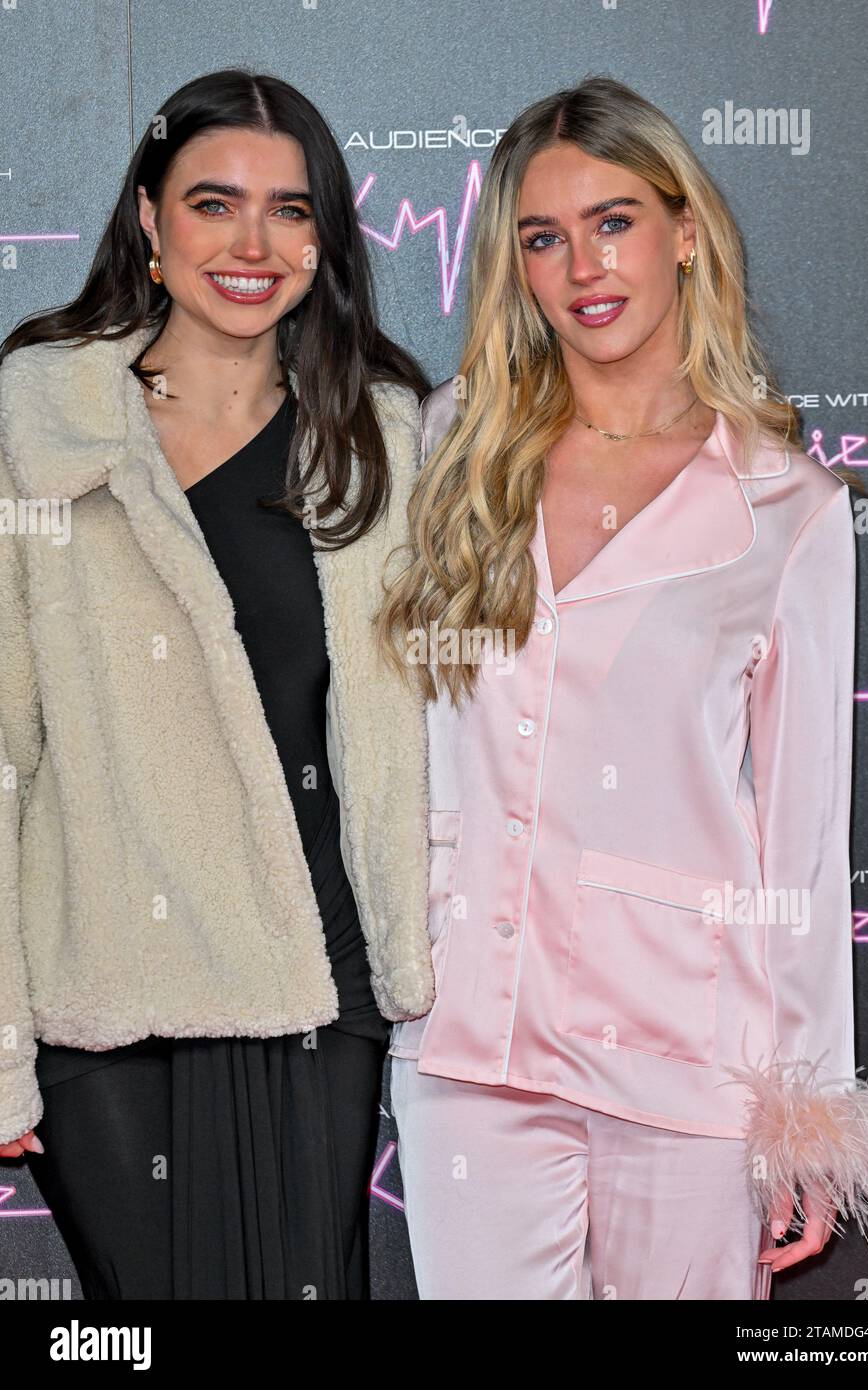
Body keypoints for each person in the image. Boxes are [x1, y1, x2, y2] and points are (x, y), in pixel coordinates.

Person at [376, 75, 868, 1300]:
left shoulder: (787, 508)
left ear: (685, 230)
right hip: (470, 1040)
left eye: (613, 221)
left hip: (686, 1055)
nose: (583, 266)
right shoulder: (447, 449)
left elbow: (804, 840)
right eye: (543, 237)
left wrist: (810, 1111)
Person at [0, 68, 434, 1299]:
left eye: (290, 211)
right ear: (148, 219)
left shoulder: (379, 439)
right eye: (213, 203)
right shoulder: (39, 424)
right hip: (111, 994)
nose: (253, 246)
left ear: (325, 237)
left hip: (318, 984)